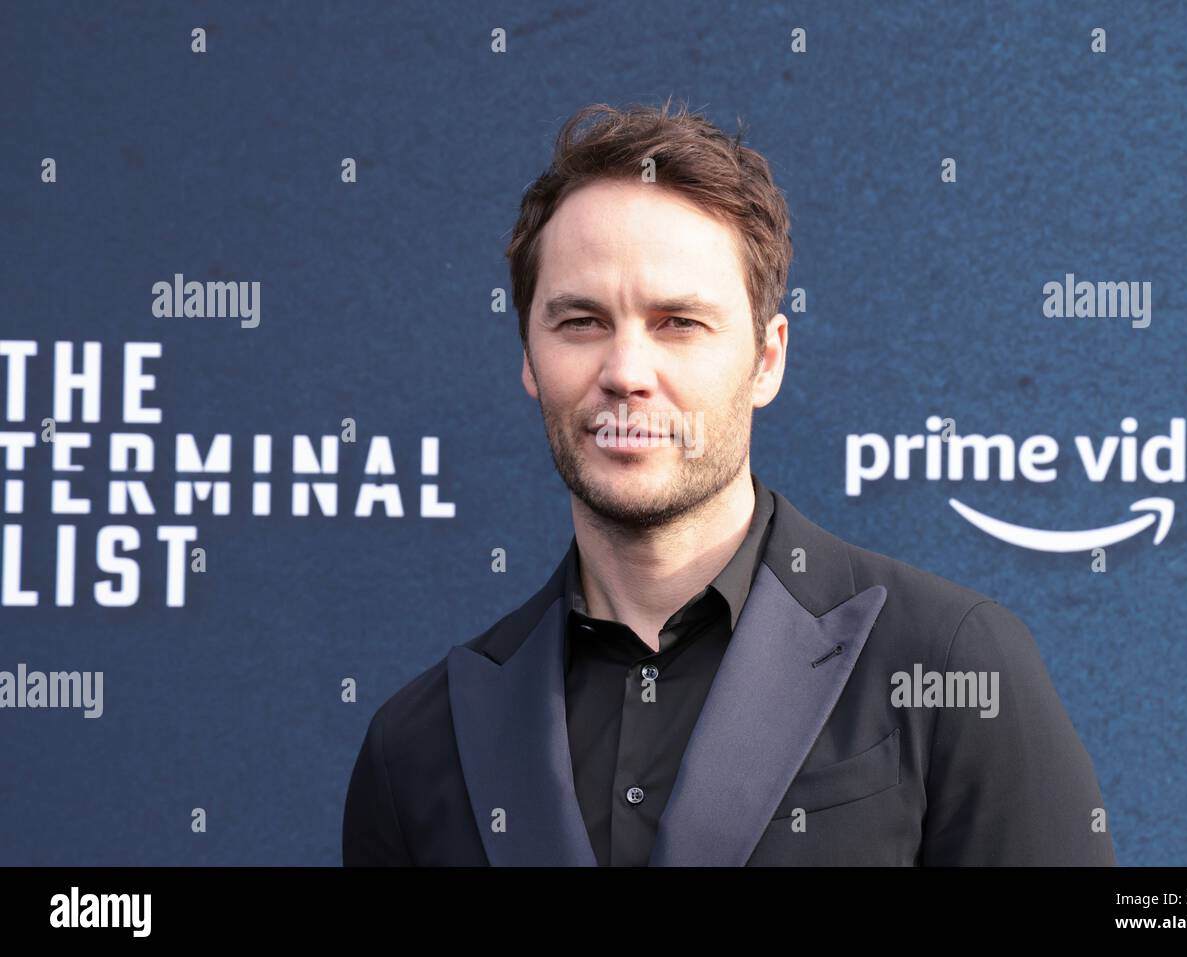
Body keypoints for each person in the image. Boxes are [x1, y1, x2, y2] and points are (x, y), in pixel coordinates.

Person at [342, 98, 1115, 866]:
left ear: (768, 358)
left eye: (678, 322)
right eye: (581, 321)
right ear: (528, 358)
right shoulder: (418, 744)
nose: (625, 373)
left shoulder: (949, 667)